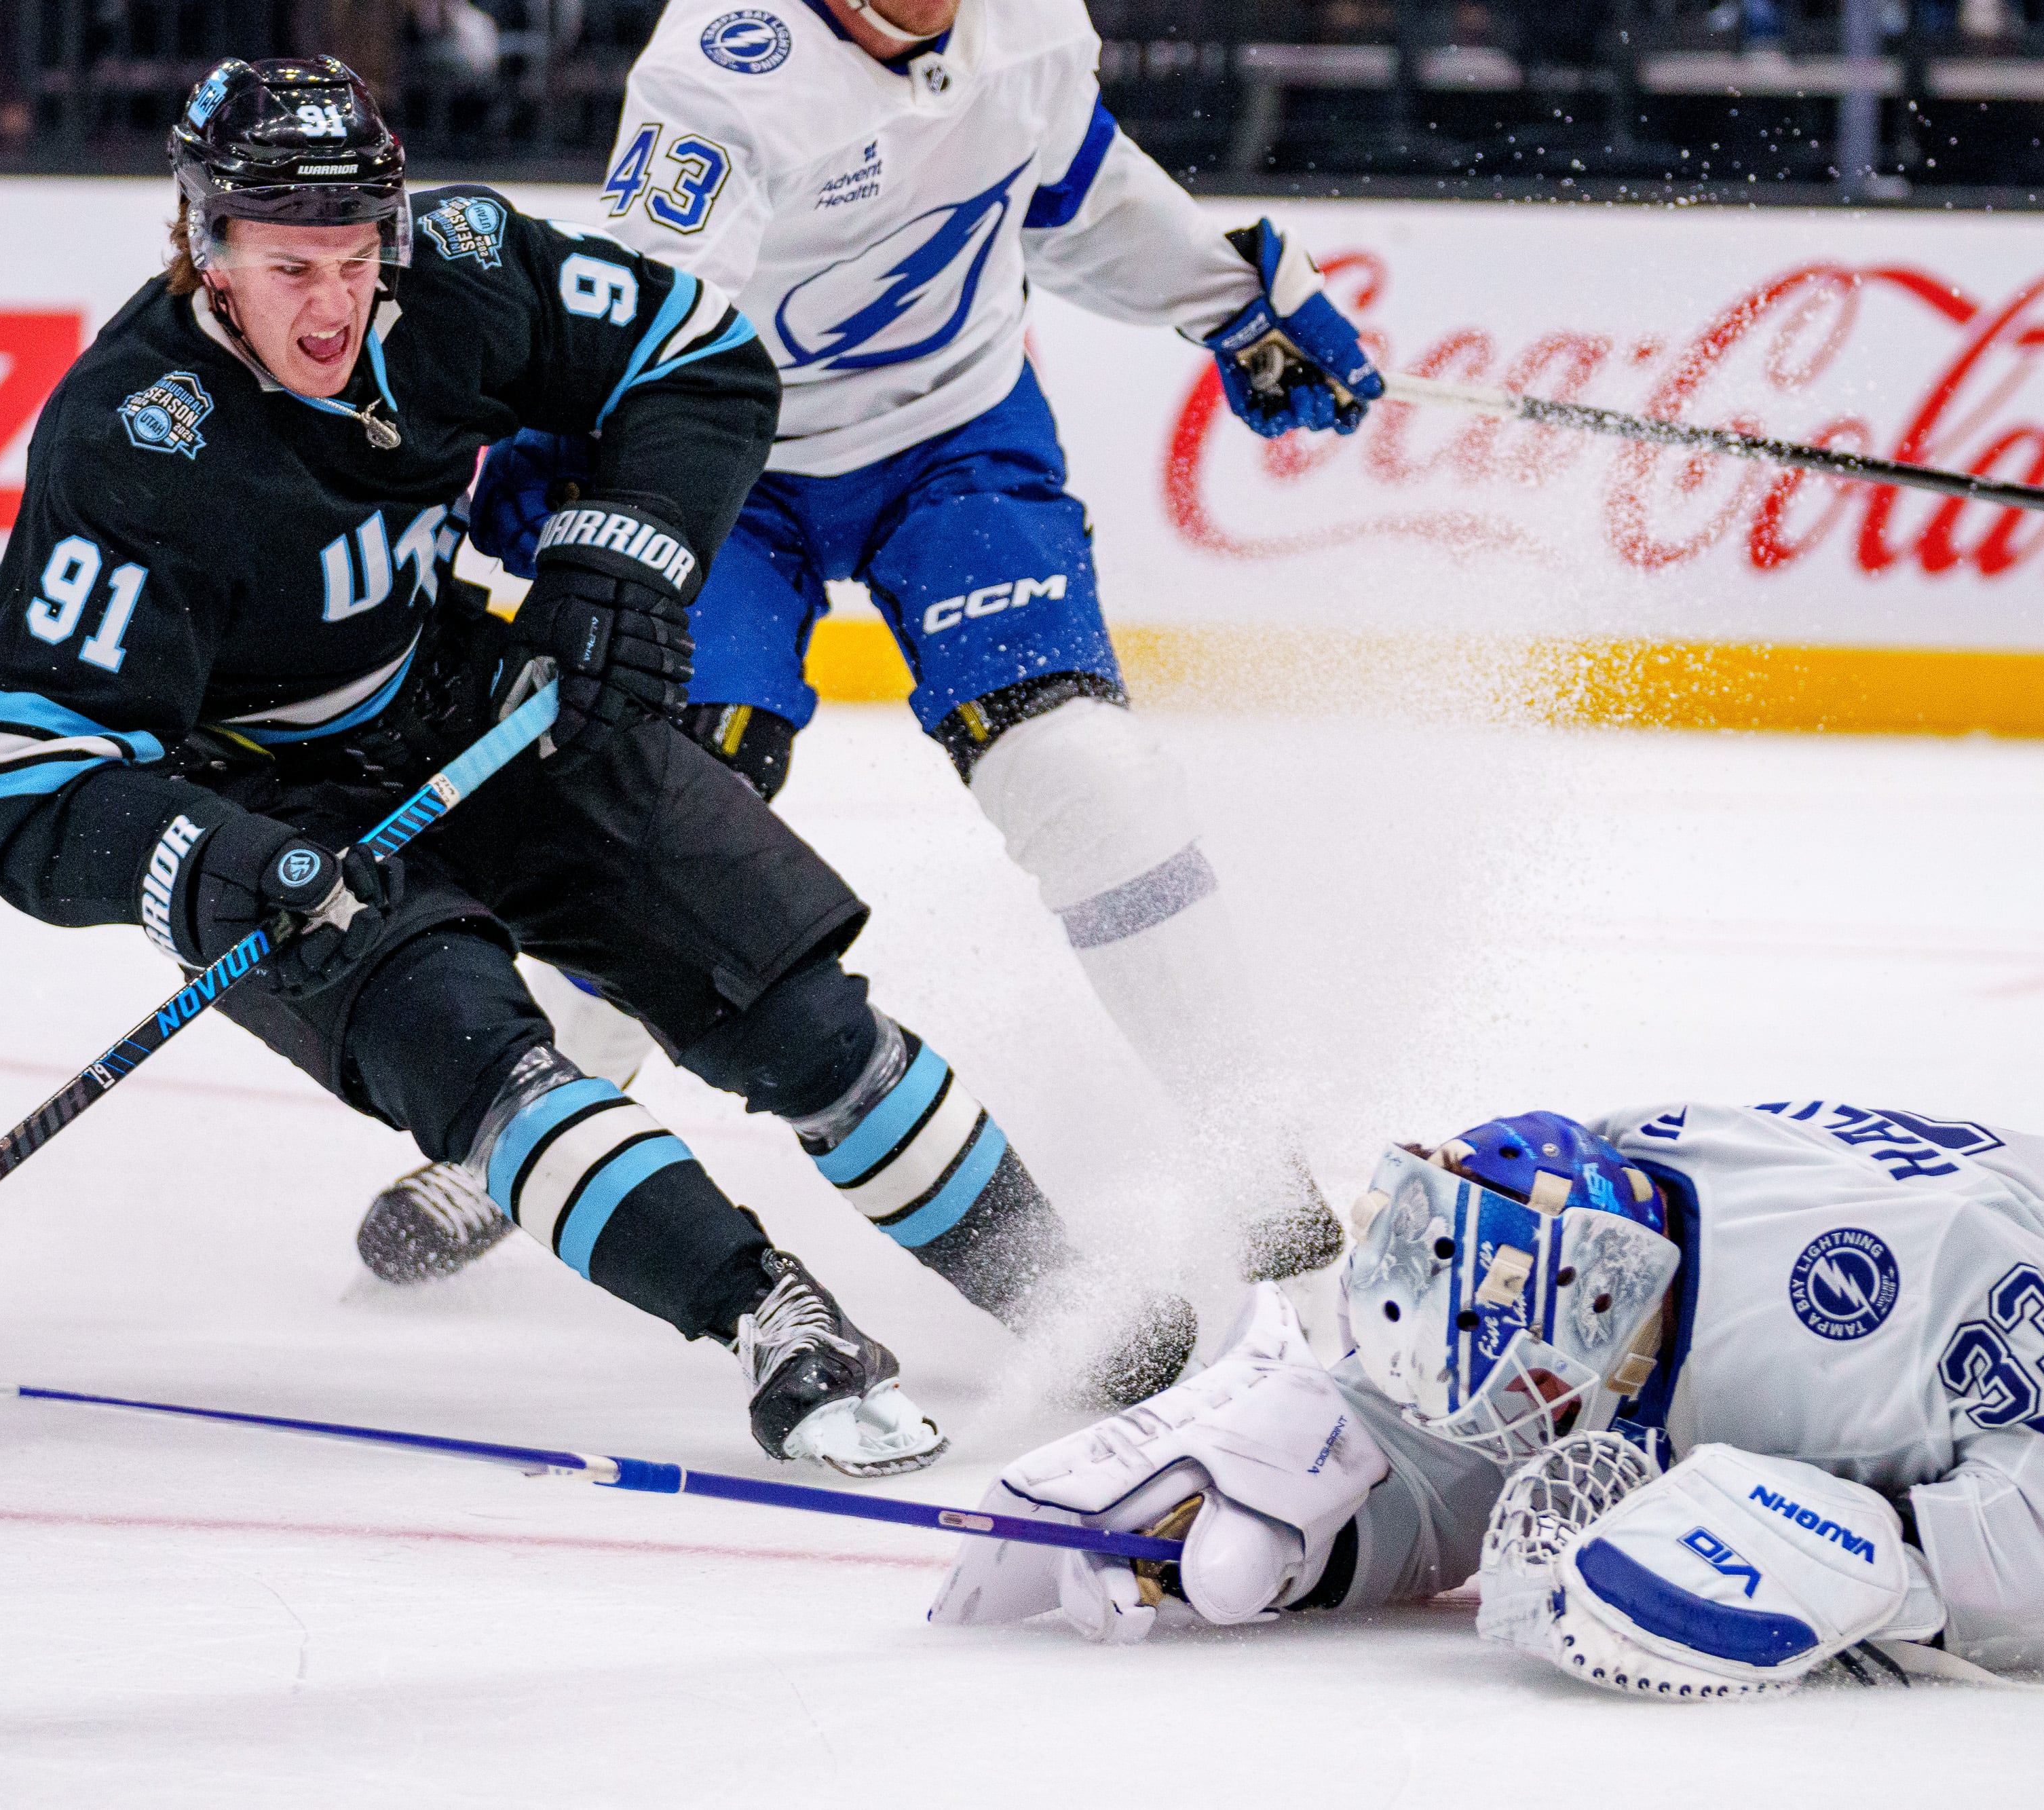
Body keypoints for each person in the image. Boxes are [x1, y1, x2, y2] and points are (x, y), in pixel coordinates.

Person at [0, 54, 1179, 1475]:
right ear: (202, 242)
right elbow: (18, 787)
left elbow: (701, 358)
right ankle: (768, 1320)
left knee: (790, 1012)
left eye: (354, 256)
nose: (334, 303)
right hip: (265, 808)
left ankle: (1054, 1283)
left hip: (469, 697)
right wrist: (225, 868)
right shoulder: (131, 438)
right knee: (487, 1060)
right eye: (288, 264)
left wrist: (625, 553)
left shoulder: (457, 267)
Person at [356, 0, 1382, 1307]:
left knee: (1086, 772)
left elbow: (1066, 187)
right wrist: (566, 442)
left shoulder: (1032, 24)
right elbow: (641, 310)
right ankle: (547, 1087)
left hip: (957, 436)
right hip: (739, 463)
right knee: (670, 793)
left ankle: (1249, 1142)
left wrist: (1232, 298)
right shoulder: (725, 69)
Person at [932, 1103, 2044, 1694]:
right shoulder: (1602, 1243)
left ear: (1605, 1297)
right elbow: (1520, 1412)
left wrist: (1889, 1562)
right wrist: (1329, 1510)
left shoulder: (1884, 1285)